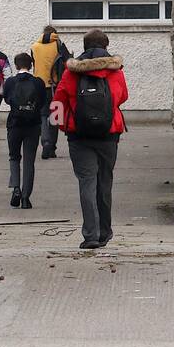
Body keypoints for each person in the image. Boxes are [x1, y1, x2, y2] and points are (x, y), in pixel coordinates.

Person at [51, 29, 128, 250]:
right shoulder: (116, 71)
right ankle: (105, 232)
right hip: (109, 134)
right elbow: (123, 97)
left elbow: (58, 101)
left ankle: (91, 235)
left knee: (87, 182)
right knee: (105, 182)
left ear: (84, 47)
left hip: (79, 135)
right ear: (106, 45)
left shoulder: (70, 72)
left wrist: (58, 127)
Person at [3, 52, 47, 209]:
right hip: (33, 125)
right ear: (31, 65)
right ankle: (26, 197)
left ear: (15, 65)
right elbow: (42, 102)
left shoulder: (10, 82)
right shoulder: (38, 83)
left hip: (14, 124)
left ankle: (16, 188)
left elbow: (7, 99)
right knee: (29, 162)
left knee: (14, 157)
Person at [30, 26, 69, 159]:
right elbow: (67, 62)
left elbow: (34, 65)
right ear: (55, 34)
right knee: (55, 116)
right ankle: (51, 146)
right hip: (56, 86)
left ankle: (45, 142)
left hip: (38, 86)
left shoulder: (34, 46)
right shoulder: (59, 44)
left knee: (42, 115)